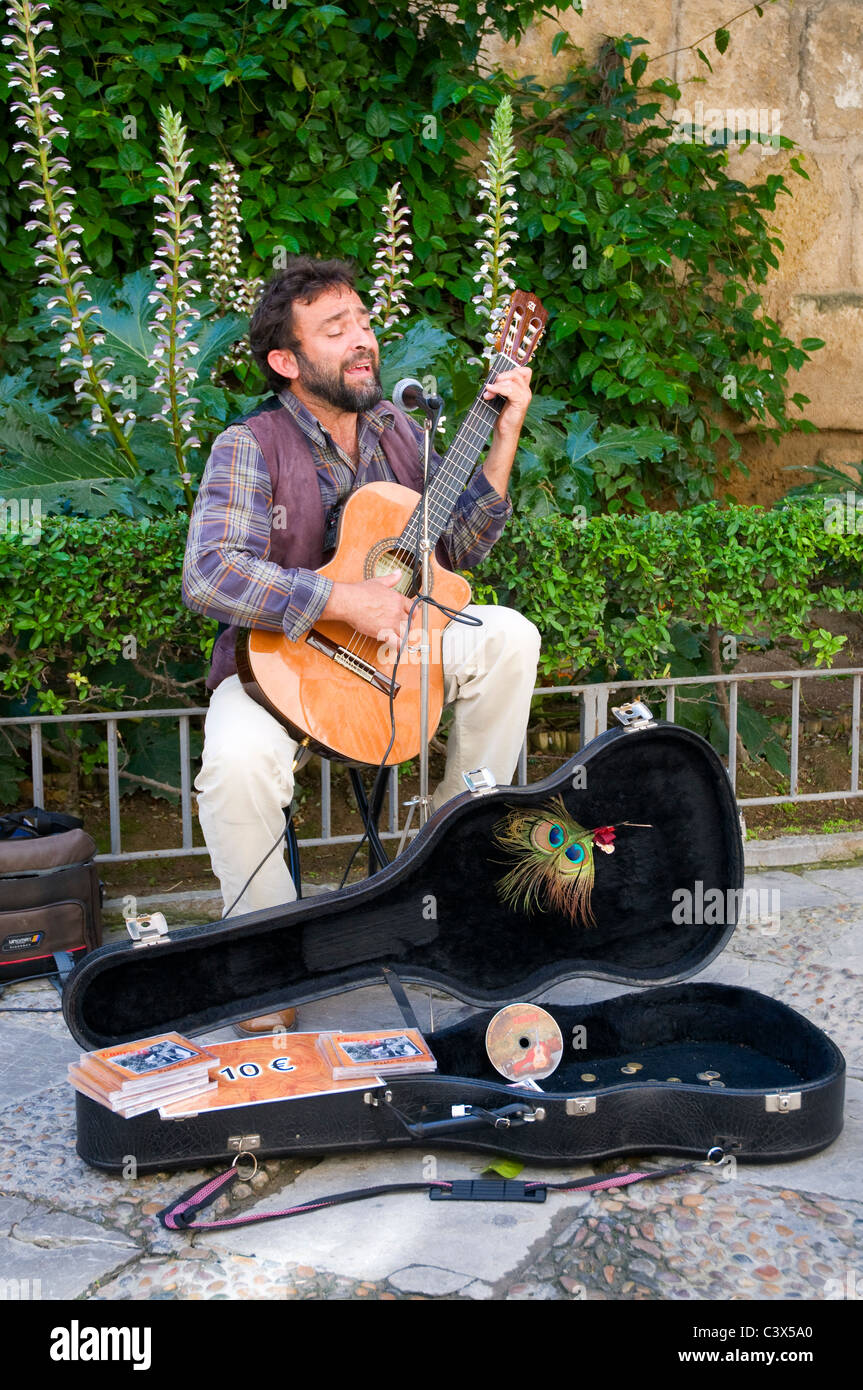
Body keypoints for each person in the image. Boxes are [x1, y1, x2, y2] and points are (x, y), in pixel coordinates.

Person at [182, 256, 541, 1032]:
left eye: (363, 323)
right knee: (235, 767)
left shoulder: (401, 430)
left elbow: (465, 543)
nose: (361, 341)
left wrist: (504, 430)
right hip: (280, 671)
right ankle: (269, 963)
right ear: (287, 360)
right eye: (334, 329)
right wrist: (346, 599)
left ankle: (456, 845)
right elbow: (210, 576)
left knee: (509, 635)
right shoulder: (250, 445)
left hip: (397, 659)